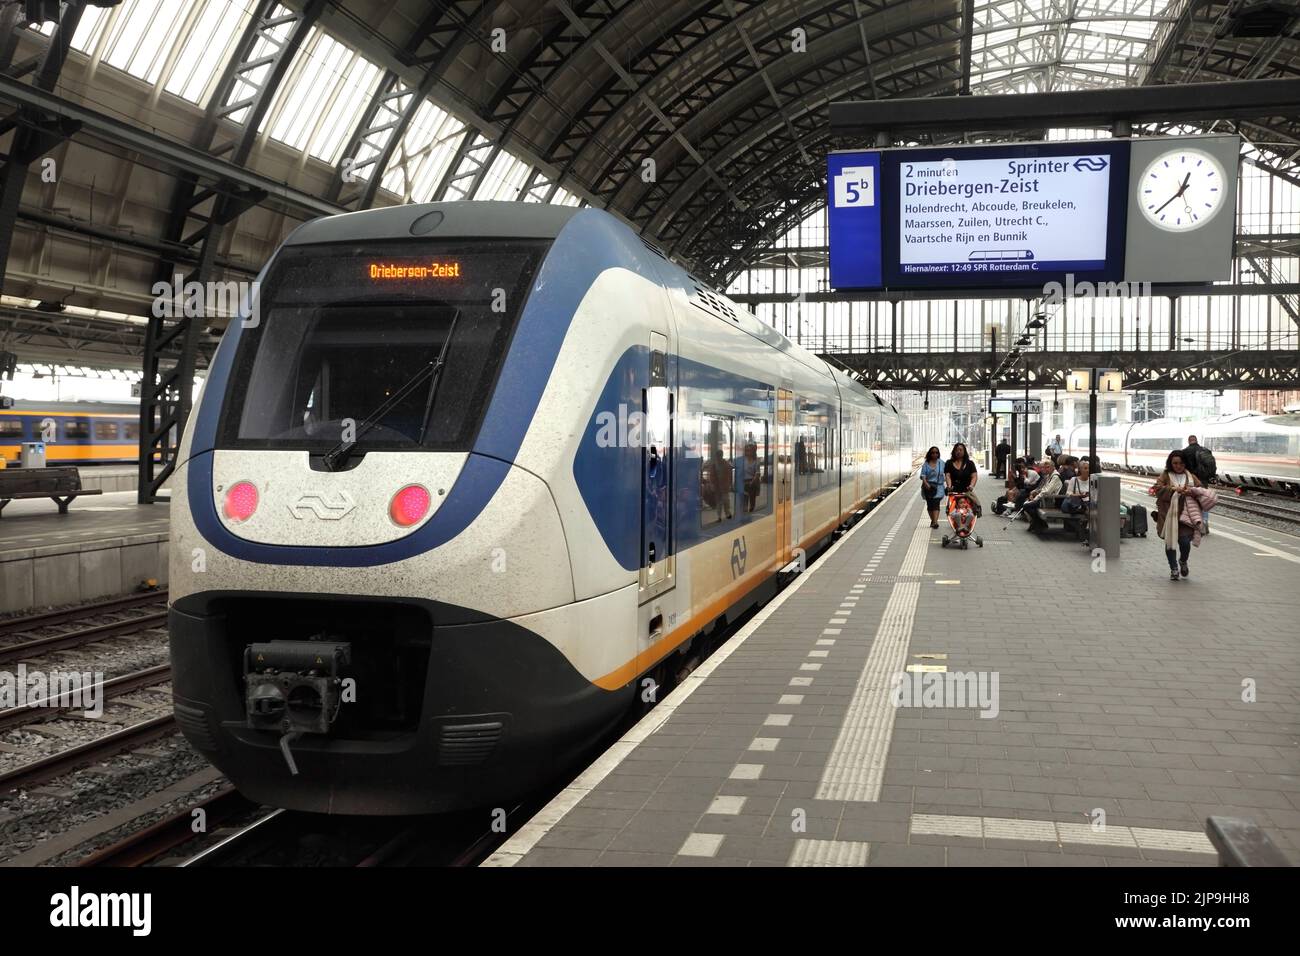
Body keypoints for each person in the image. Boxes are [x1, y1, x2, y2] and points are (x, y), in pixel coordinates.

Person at [1151, 451, 1201, 581]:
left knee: (1185, 542)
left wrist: (1190, 491)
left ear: (1185, 463)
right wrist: (1172, 489)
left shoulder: (1191, 477)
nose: (1178, 466)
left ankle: (1183, 561)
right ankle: (1173, 569)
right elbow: (1157, 489)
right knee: (1170, 543)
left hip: (1185, 516)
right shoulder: (1166, 475)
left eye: (1181, 463)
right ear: (1170, 463)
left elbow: (1200, 490)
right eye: (1175, 463)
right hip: (1168, 515)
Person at [1179, 435, 1217, 533]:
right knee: (1204, 501)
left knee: (1191, 503)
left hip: (1189, 481)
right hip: (1203, 481)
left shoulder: (1184, 452)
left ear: (1189, 441)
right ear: (1196, 441)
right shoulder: (1204, 451)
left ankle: (1194, 523)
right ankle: (1204, 522)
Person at [1019, 459, 1062, 533]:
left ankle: (1039, 523)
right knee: (1027, 504)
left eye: (1047, 467)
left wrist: (1035, 498)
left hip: (1050, 501)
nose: (1044, 469)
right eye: (1043, 467)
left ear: (1053, 467)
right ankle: (1038, 524)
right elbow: (1042, 488)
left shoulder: (1055, 477)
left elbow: (1046, 491)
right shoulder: (1049, 476)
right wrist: (1034, 492)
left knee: (1027, 505)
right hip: (1044, 499)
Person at [943, 442, 980, 515]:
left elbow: (974, 476)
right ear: (954, 451)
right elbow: (948, 476)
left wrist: (971, 486)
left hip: (966, 490)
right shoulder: (949, 463)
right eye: (956, 450)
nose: (958, 452)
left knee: (971, 508)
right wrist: (949, 486)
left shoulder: (970, 463)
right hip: (954, 490)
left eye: (961, 450)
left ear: (964, 451)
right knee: (952, 510)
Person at [919, 446, 945, 529]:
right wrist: (926, 483)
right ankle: (933, 520)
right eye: (933, 452)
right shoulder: (926, 464)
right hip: (928, 487)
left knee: (936, 503)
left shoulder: (941, 463)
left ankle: (935, 522)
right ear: (930, 454)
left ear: (938, 454)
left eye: (936, 452)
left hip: (939, 487)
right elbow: (923, 475)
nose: (935, 454)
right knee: (930, 505)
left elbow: (947, 474)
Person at [742, 441, 760, 513]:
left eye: (750, 450)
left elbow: (757, 473)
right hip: (744, 482)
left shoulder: (756, 461)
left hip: (752, 482)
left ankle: (751, 510)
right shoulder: (743, 460)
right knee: (745, 499)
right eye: (747, 451)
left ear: (753, 451)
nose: (748, 452)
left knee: (752, 500)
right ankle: (745, 511)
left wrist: (752, 482)